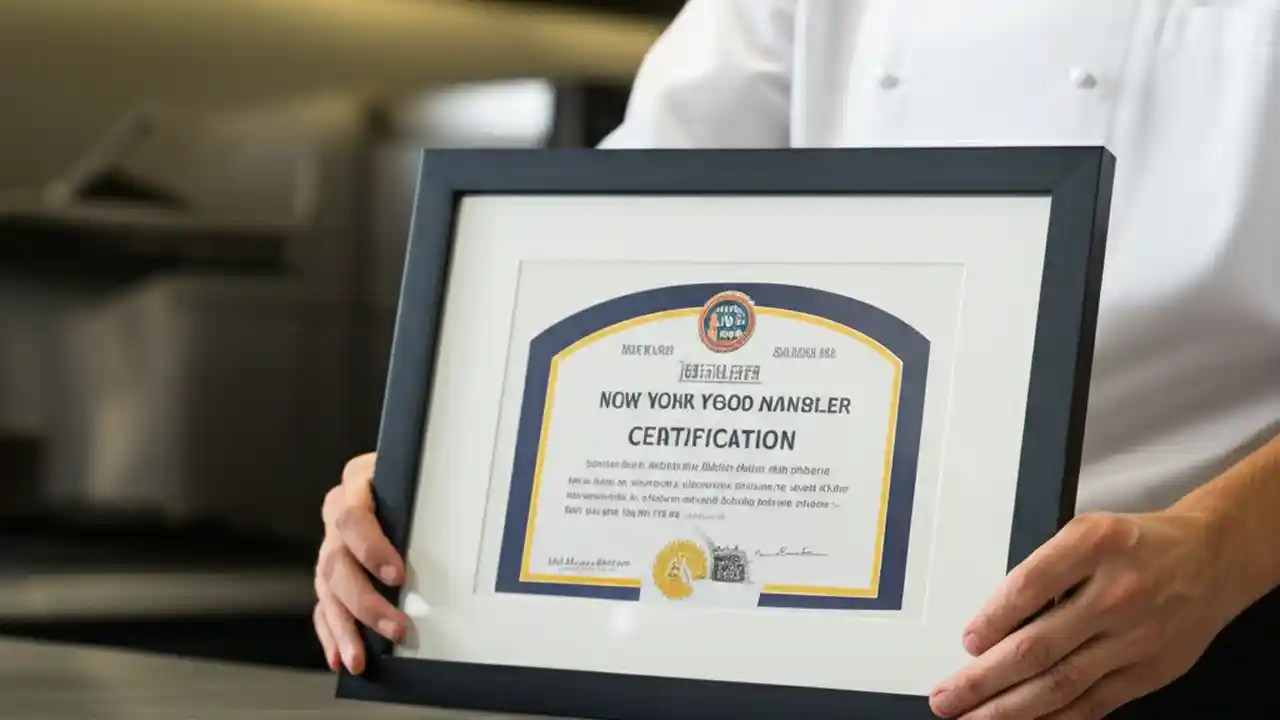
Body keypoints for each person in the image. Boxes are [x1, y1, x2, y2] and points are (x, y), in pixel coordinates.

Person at [313, 2, 1280, 717]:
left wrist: (1225, 551)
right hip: (808, 622)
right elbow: (623, 239)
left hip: (1206, 625)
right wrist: (433, 478)